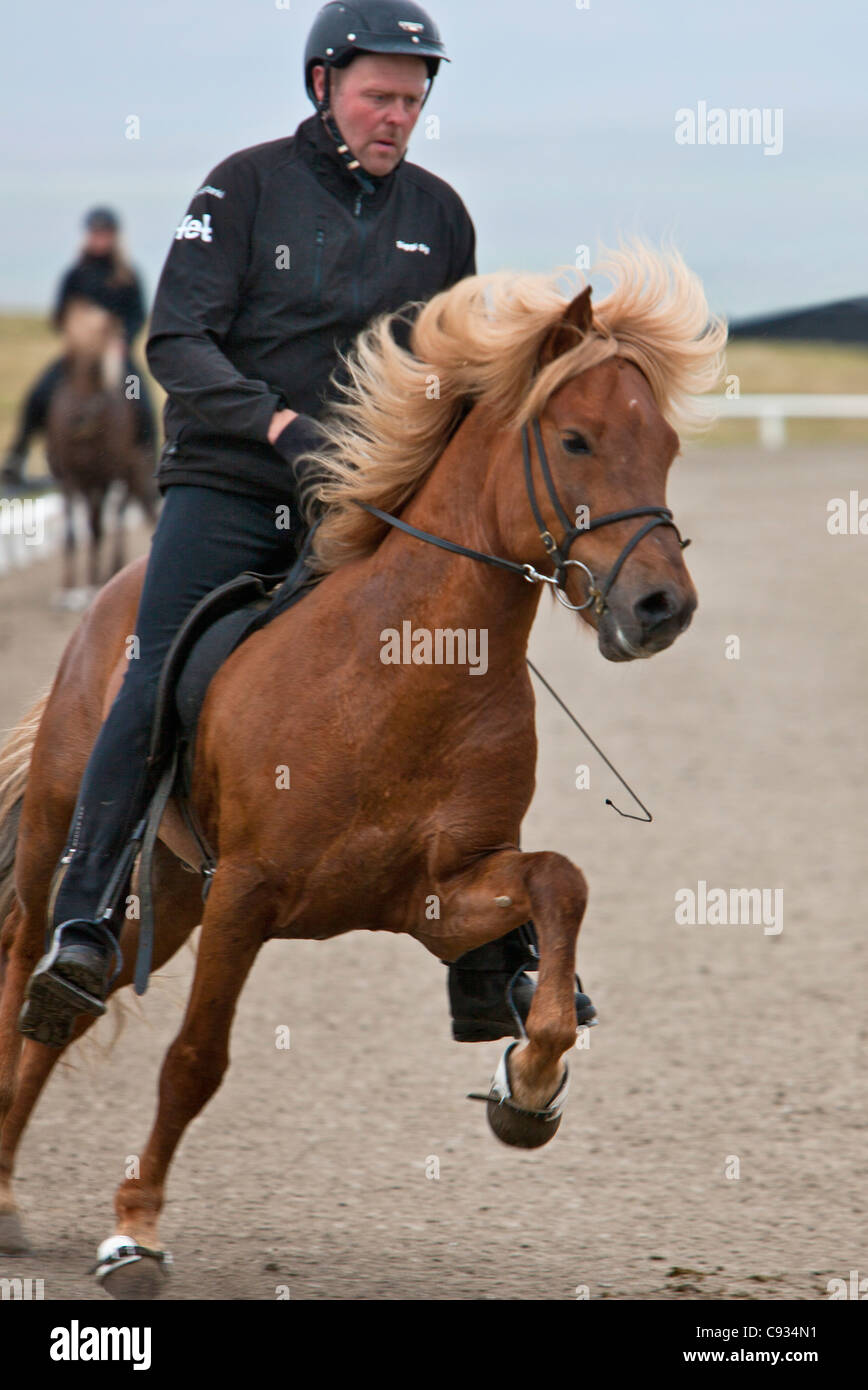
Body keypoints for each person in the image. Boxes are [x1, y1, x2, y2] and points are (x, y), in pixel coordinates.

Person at [19, 0, 595, 1050]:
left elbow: (453, 368)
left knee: (456, 668)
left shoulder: (441, 215)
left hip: (365, 502)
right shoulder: (240, 188)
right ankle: (84, 920)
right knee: (153, 666)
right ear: (323, 85)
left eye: (414, 102)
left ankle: (487, 959)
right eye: (380, 96)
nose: (397, 118)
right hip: (232, 487)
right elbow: (176, 341)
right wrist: (276, 424)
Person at [1, 207, 156, 488]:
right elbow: (59, 313)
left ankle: (150, 461)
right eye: (95, 233)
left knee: (138, 395)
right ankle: (17, 455)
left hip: (116, 355)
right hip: (79, 355)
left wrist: (123, 340)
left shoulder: (126, 276)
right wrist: (77, 330)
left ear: (113, 236)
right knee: (40, 391)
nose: (99, 239)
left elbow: (136, 314)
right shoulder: (76, 274)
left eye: (104, 233)